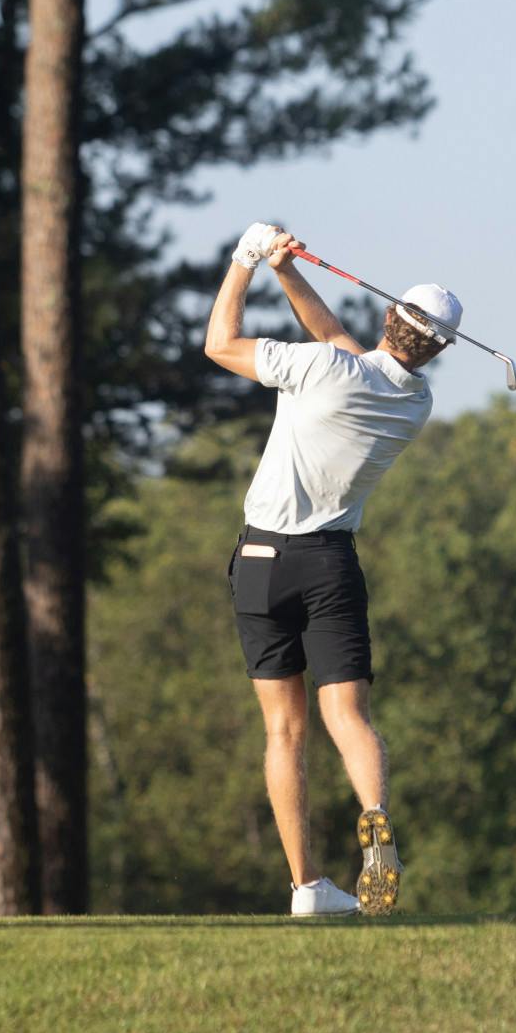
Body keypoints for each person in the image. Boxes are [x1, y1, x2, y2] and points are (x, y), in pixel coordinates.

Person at [203, 222, 456, 917]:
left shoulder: (322, 369)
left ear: (388, 317)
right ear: (435, 349)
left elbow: (218, 343)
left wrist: (245, 260)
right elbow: (342, 346)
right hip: (328, 564)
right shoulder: (413, 401)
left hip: (259, 562)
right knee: (348, 714)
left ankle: (308, 888)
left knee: (284, 732)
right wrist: (289, 272)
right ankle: (373, 810)